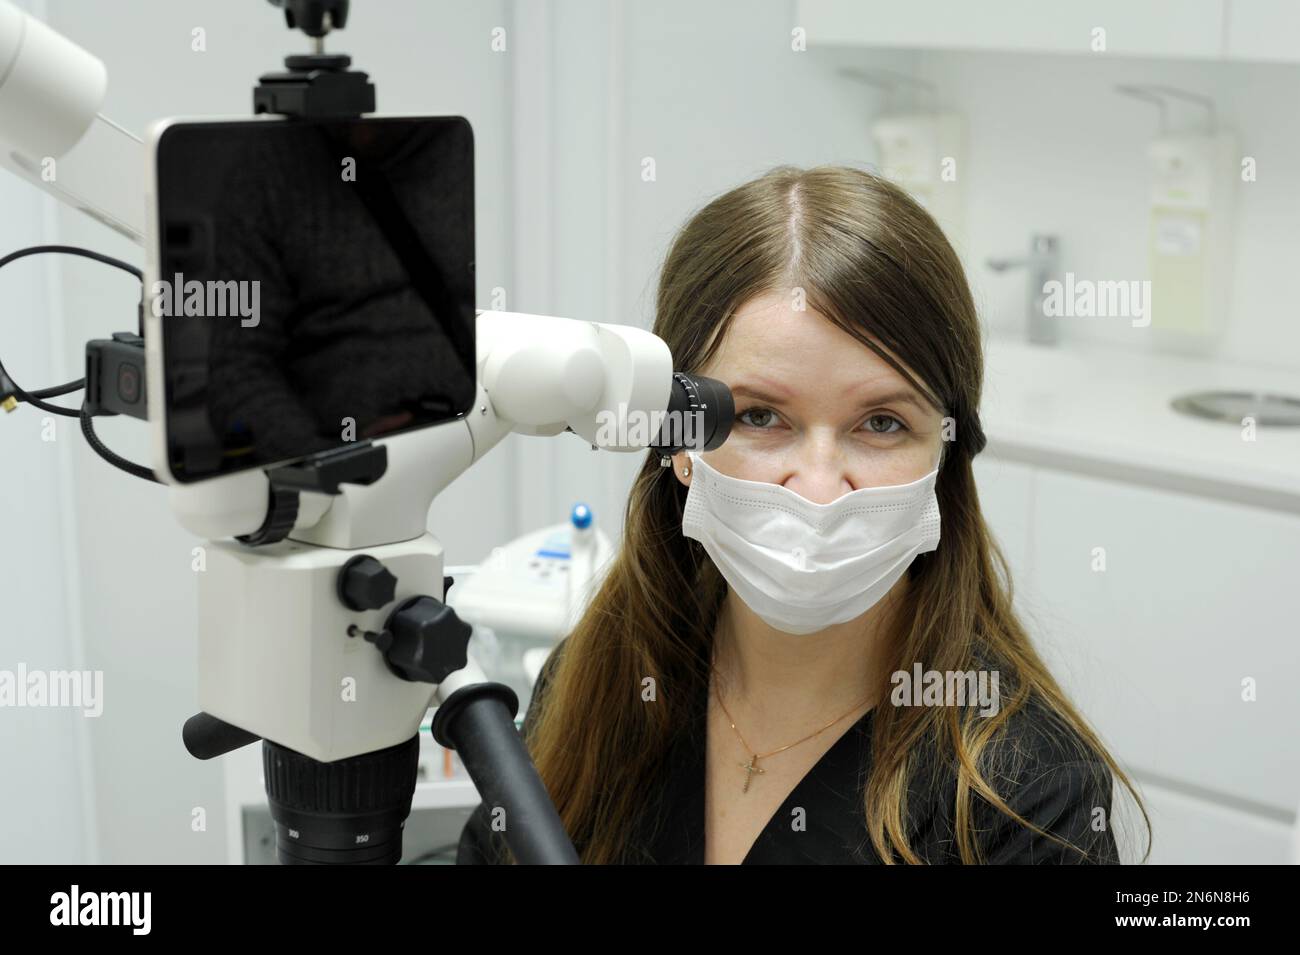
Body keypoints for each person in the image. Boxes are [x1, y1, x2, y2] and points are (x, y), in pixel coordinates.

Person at [457, 164, 1151, 864]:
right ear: (679, 442)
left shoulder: (1024, 793)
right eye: (760, 415)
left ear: (944, 458)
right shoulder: (598, 687)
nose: (819, 489)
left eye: (881, 423)